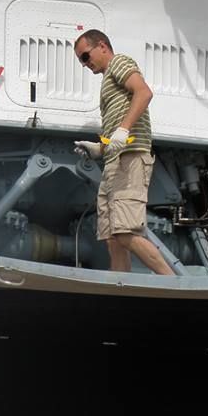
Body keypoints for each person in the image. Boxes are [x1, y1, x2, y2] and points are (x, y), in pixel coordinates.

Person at [73, 29, 174, 275]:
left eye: (85, 56)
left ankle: (175, 283)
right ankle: (120, 287)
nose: (85, 64)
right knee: (113, 238)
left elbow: (144, 92)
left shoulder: (118, 62)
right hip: (114, 162)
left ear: (102, 46)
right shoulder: (107, 81)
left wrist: (124, 129)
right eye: (81, 61)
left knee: (125, 233)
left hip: (130, 158)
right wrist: (100, 149)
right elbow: (117, 124)